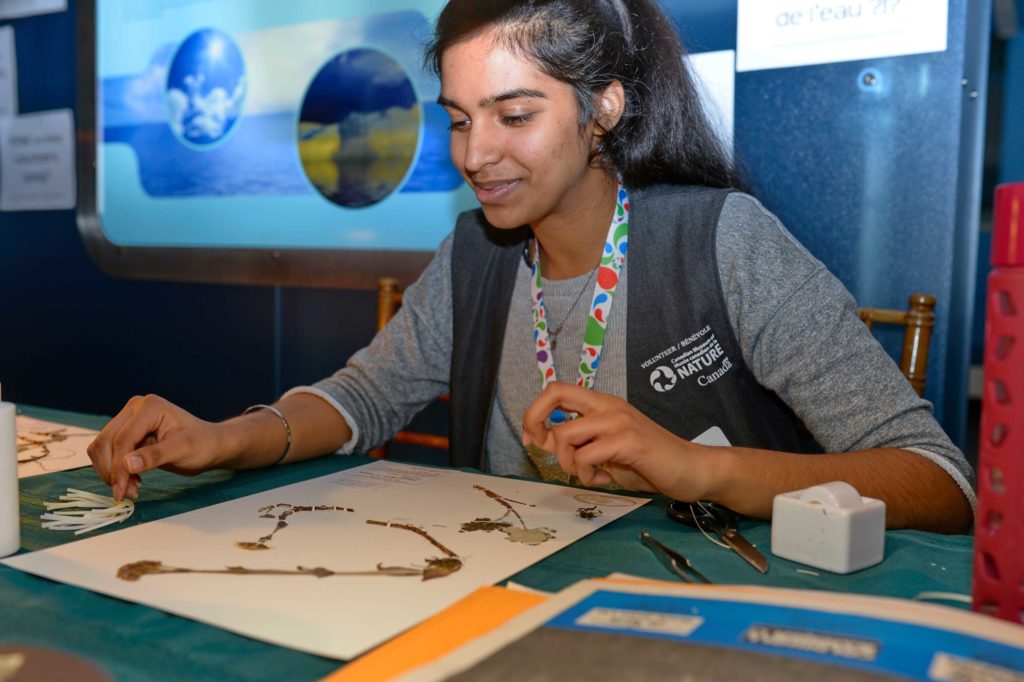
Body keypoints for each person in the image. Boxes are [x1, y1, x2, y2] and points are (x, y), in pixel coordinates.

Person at [87, 0, 974, 534]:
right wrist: (219, 438)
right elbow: (361, 400)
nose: (477, 155)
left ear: (603, 109)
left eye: (514, 115)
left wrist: (698, 468)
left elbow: (938, 482)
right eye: (461, 119)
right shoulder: (473, 256)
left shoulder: (722, 239)